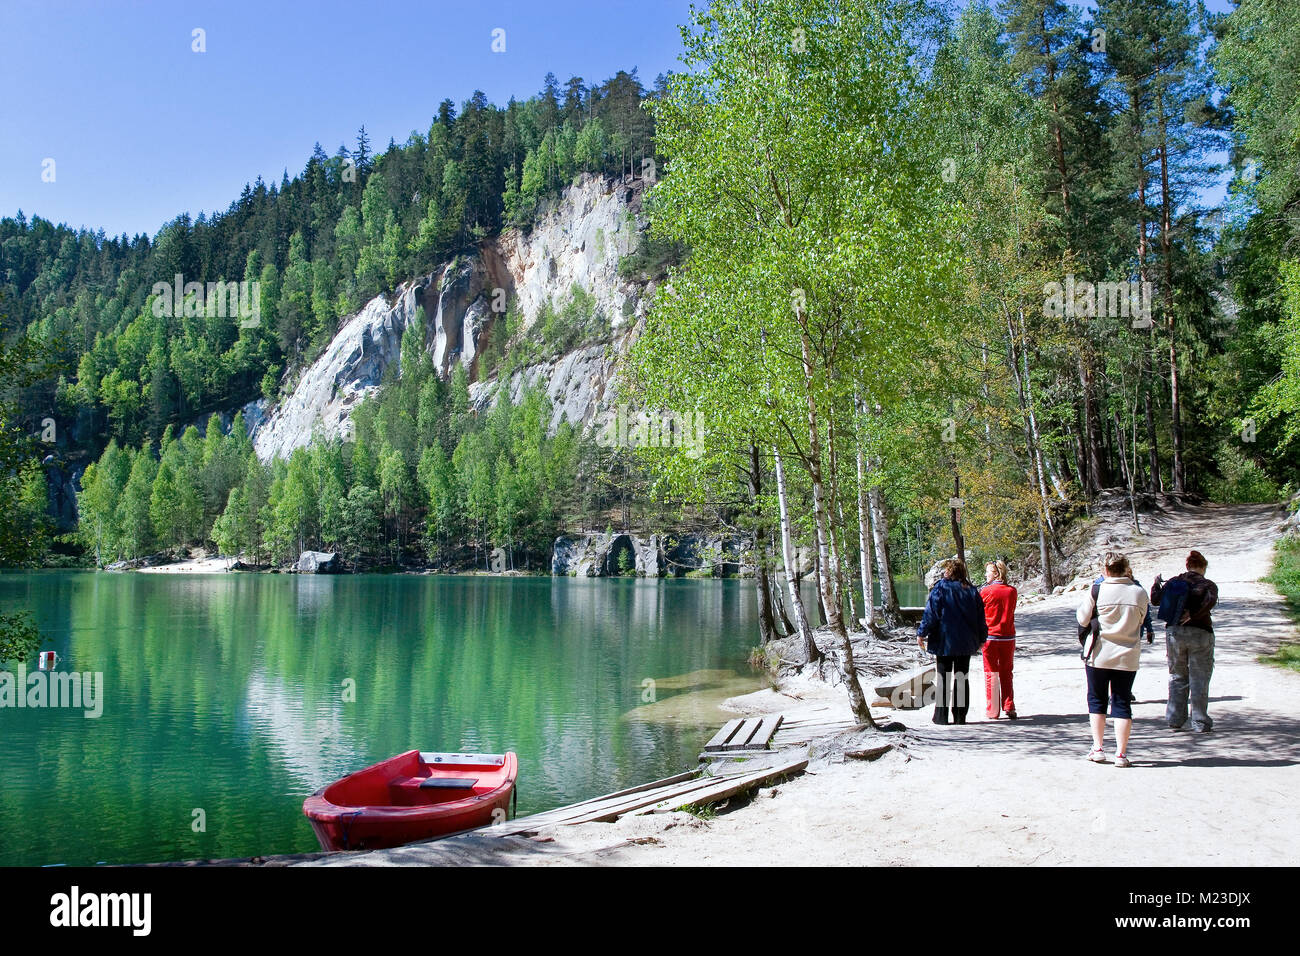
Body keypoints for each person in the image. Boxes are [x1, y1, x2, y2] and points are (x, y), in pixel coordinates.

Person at [1077, 552, 1149, 767]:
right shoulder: (1139, 592)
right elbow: (1142, 620)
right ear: (1126, 568)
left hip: (1099, 654)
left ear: (1105, 570)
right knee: (1122, 701)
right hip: (1128, 654)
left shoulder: (1098, 590)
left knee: (1097, 700)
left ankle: (1098, 748)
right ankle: (1121, 753)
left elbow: (1083, 618)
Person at [1151, 550, 1219, 733]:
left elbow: (1156, 600)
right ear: (1203, 567)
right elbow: (1210, 602)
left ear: (1187, 566)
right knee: (1200, 677)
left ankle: (1175, 718)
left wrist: (1156, 584)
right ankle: (1200, 721)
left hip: (1174, 633)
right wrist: (1195, 615)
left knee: (1177, 675)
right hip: (1201, 633)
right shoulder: (1208, 584)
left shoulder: (1174, 582)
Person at [917, 558, 989, 725]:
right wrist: (982, 638)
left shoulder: (940, 589)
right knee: (962, 677)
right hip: (966, 641)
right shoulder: (971, 591)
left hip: (944, 641)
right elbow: (981, 618)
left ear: (948, 572)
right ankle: (960, 717)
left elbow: (931, 614)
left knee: (944, 678)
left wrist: (921, 633)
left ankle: (941, 717)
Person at [979, 560, 1018, 719]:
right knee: (1007, 672)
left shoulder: (985, 592)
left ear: (996, 573)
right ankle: (1009, 706)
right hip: (1008, 637)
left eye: (988, 571)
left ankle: (993, 710)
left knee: (991, 673)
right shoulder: (1012, 591)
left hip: (990, 637)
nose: (986, 574)